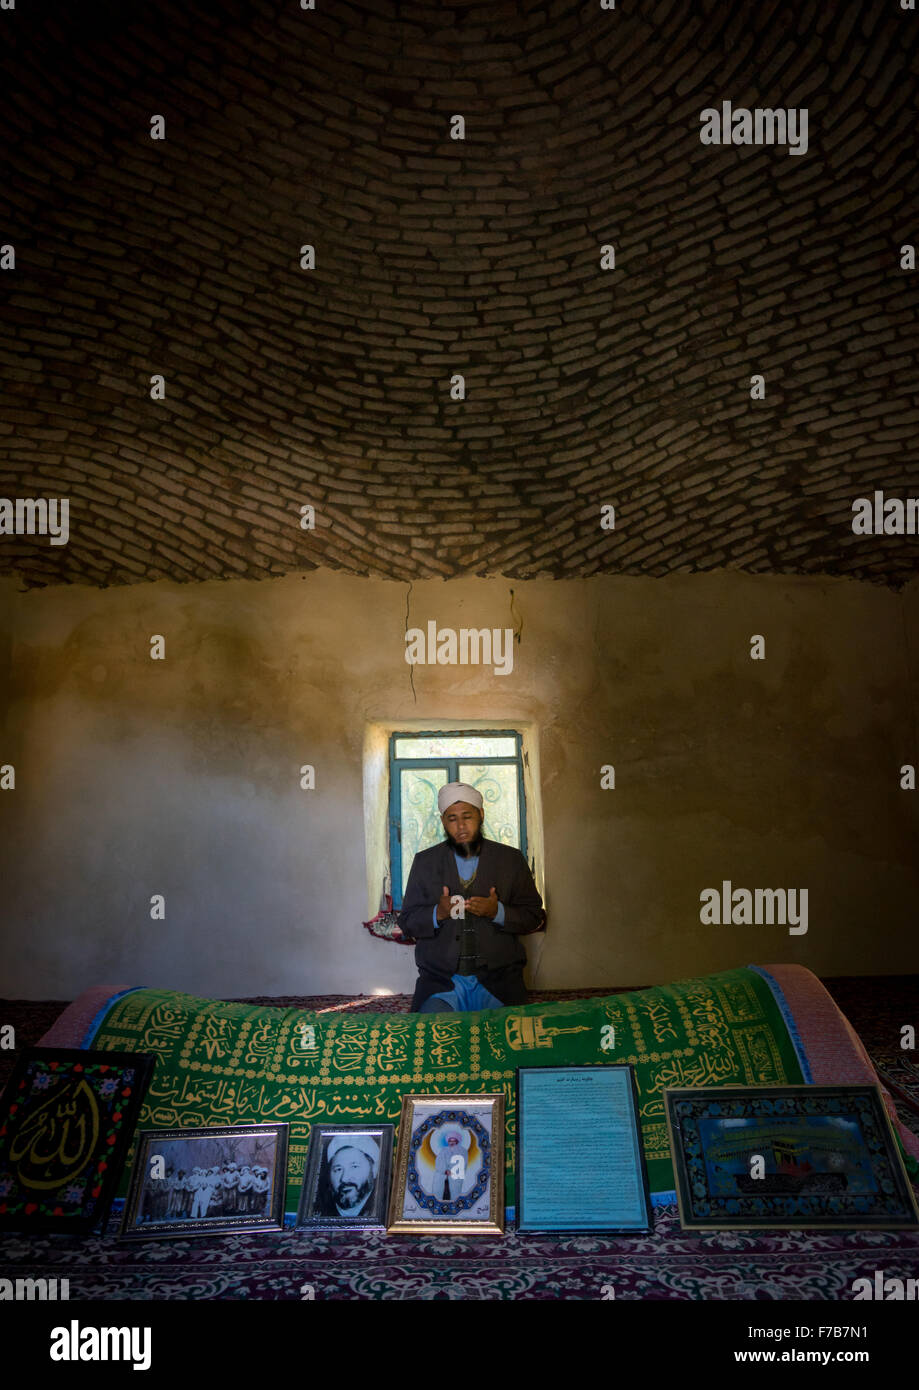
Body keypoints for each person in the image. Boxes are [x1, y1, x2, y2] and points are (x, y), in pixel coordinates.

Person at [397, 781, 544, 1012]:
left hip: (500, 982)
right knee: (432, 1042)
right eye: (452, 819)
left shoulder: (510, 860)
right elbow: (407, 923)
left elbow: (535, 916)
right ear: (444, 822)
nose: (461, 826)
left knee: (508, 1043)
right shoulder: (425, 862)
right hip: (441, 984)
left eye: (467, 816)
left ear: (481, 815)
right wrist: (438, 913)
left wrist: (498, 912)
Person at [318, 1136, 379, 1218]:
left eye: (354, 1167)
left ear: (374, 1170)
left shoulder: (384, 1209)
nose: (344, 1179)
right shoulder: (319, 1212)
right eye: (338, 1169)